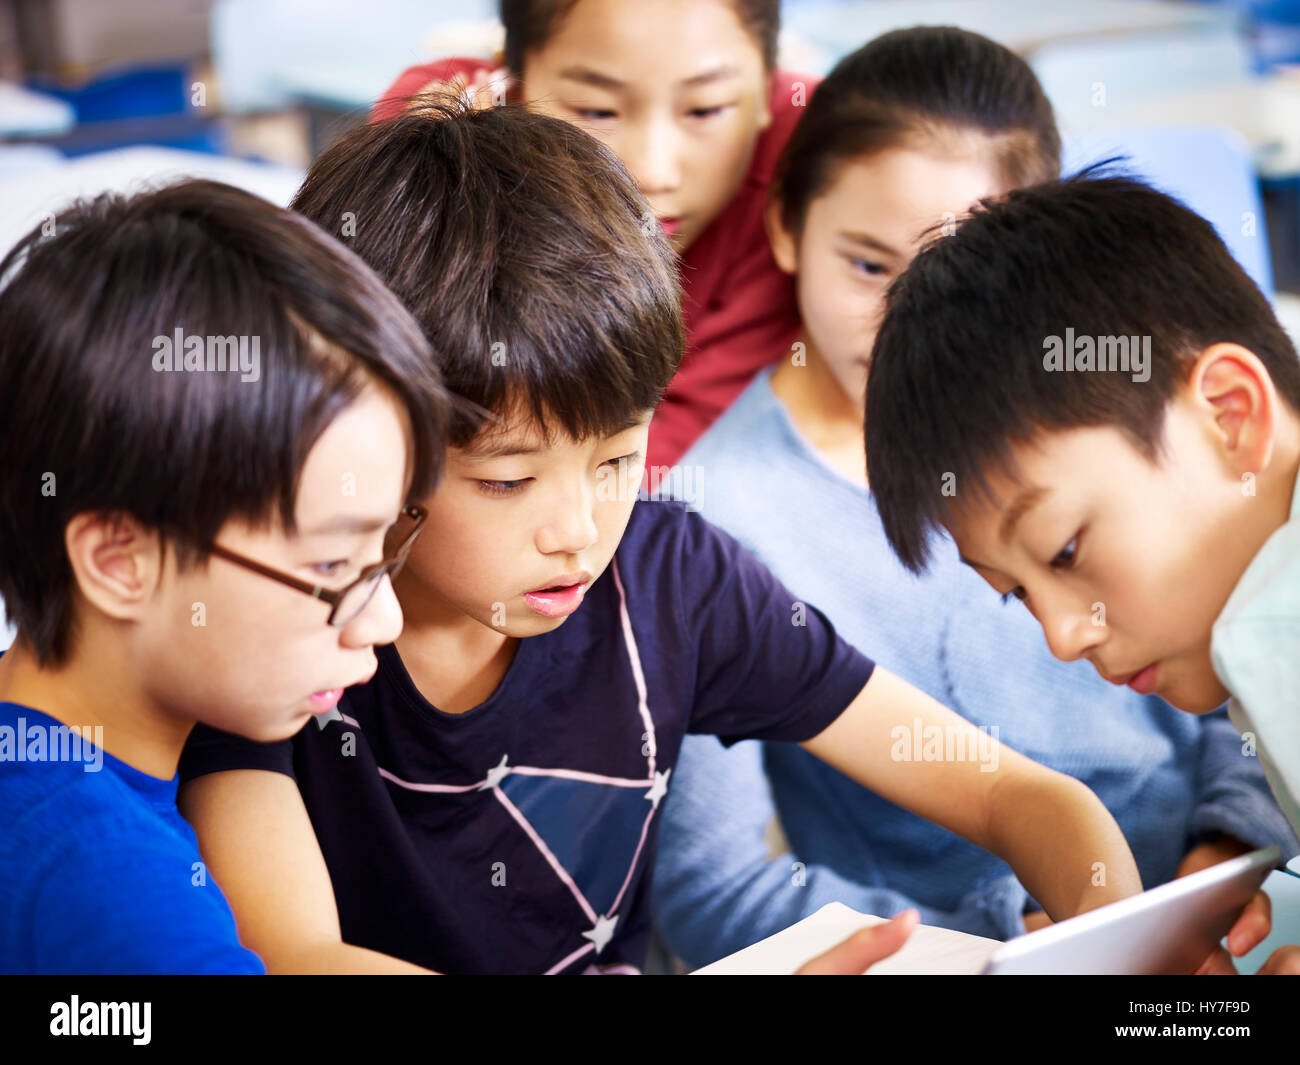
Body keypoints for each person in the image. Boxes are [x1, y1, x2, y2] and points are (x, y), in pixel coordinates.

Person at [176, 102, 1148, 976]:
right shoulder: (280, 645)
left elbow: (1013, 799)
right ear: (360, 438)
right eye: (509, 480)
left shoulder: (676, 579)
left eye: (616, 460)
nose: (579, 533)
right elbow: (294, 957)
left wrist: (1121, 945)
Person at [652, 27, 1296, 970]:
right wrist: (1026, 939)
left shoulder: (1215, 544)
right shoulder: (716, 531)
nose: (1065, 637)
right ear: (788, 226)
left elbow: (1216, 669)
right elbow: (717, 888)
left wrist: (1231, 844)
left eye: (1066, 552)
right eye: (870, 265)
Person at [0, 180, 450, 973]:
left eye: (385, 550)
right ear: (119, 562)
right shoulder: (109, 879)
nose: (381, 619)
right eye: (332, 566)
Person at [864, 172, 1300, 974]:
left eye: (1065, 549)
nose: (1062, 637)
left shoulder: (1275, 628)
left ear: (1230, 415)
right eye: (1019, 592)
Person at [374, 0, 808, 470]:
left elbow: (679, 448)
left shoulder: (813, 160)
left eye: (704, 110)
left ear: (768, 90)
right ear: (513, 91)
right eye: (597, 110)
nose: (651, 171)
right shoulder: (436, 125)